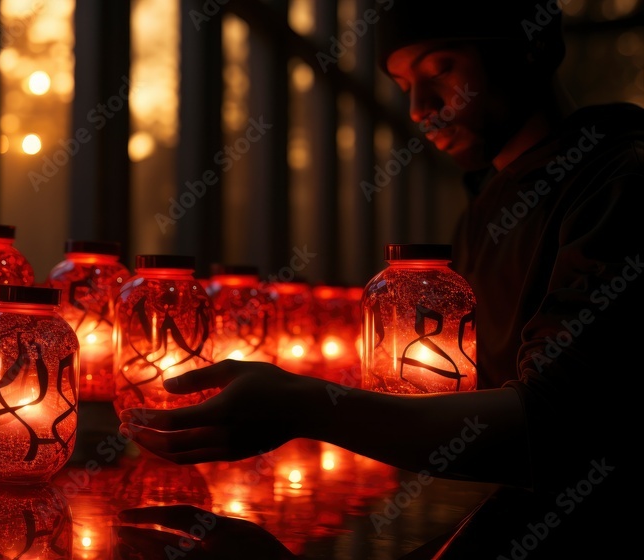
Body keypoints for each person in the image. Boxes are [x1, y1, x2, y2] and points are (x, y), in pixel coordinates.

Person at [118, 1, 640, 557]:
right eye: (401, 82)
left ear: (532, 48)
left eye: (442, 68)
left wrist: (309, 406)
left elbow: (561, 425)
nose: (419, 107)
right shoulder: (486, 210)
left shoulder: (619, 183)